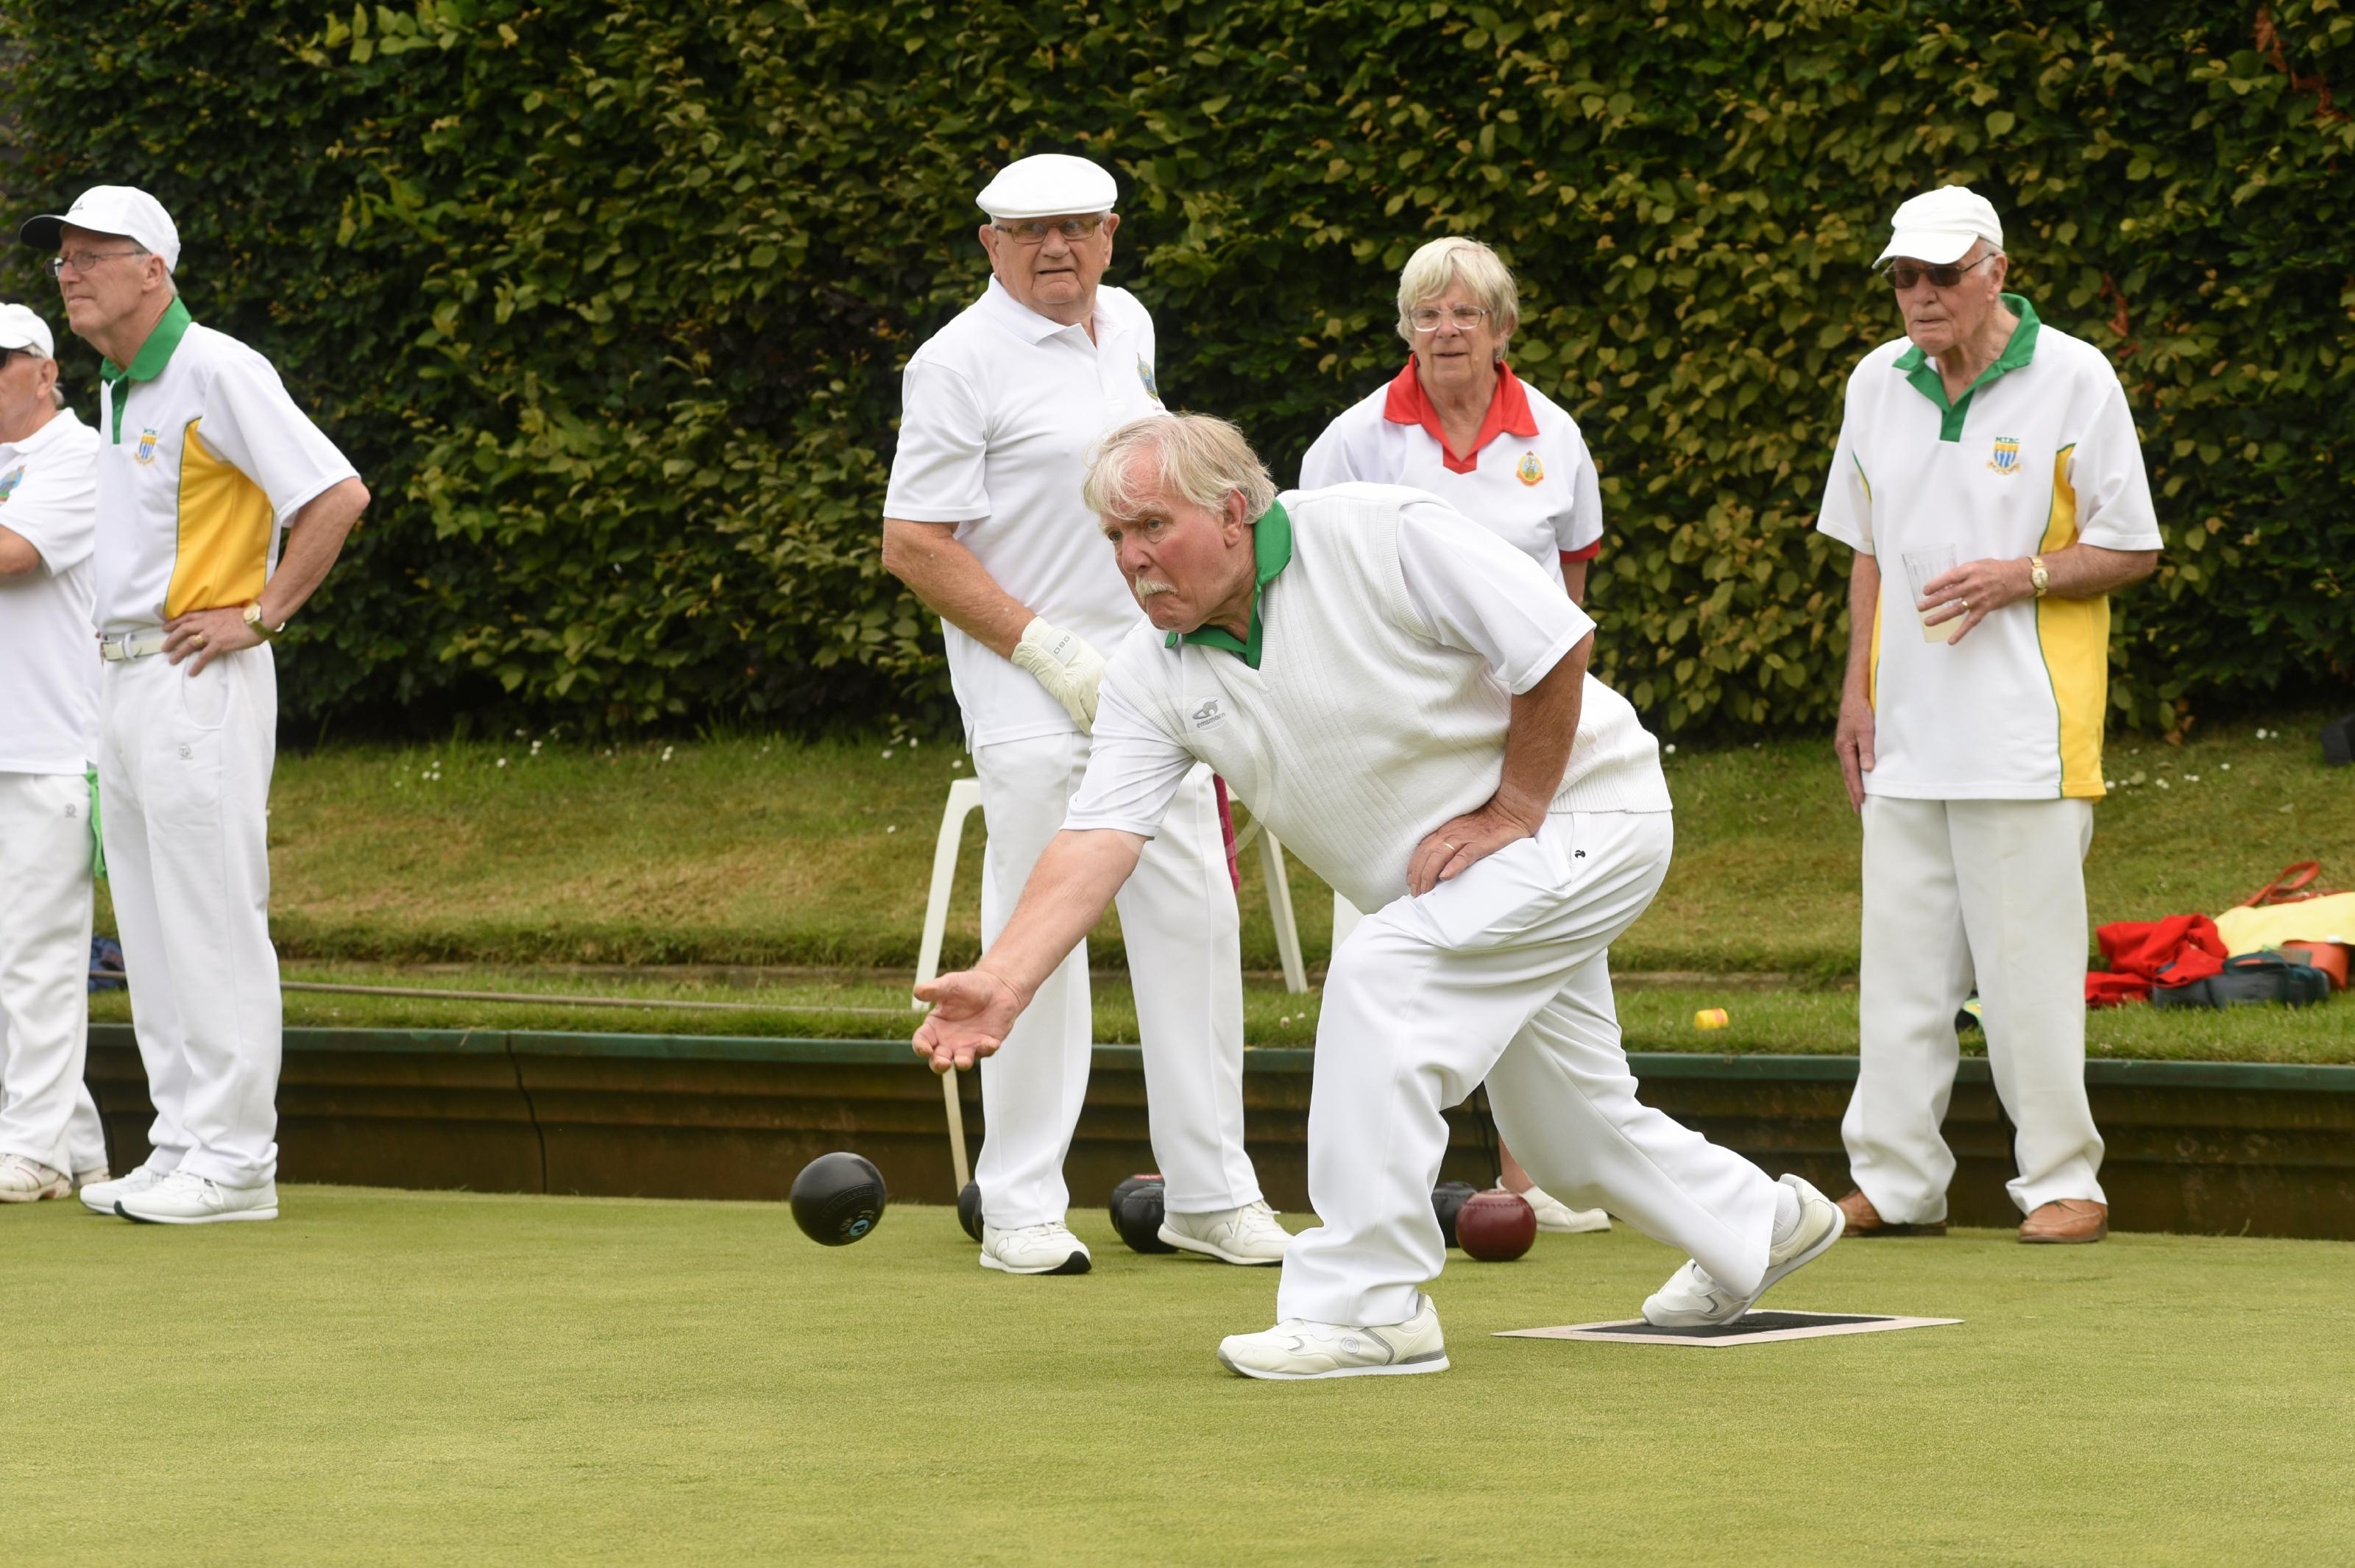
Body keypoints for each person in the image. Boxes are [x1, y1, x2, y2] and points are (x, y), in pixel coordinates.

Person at [915, 414, 1842, 1379]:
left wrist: (1515, 807)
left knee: (1380, 976)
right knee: (1567, 1132)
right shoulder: (1152, 673)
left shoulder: (1377, 532)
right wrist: (1006, 979)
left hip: (1584, 816)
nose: (1132, 558)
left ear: (1232, 512)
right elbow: (1099, 835)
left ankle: (1368, 1306)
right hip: (1467, 887)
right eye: (1115, 535)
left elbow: (1553, 641)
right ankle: (1760, 1221)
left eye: (1152, 525)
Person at [880, 155, 1280, 1275]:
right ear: (990, 244)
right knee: (1036, 935)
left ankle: (1210, 1192)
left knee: (1197, 918)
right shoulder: (956, 361)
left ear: (1109, 233)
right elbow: (913, 542)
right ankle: (1018, 1203)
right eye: (1029, 231)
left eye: (1076, 226)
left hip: (1156, 674)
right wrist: (1046, 649)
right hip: (1027, 690)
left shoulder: (1130, 323)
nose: (1055, 247)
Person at [21, 185, 371, 1224]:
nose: (70, 272)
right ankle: (183, 1142)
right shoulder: (121, 387)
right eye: (64, 256)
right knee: (155, 924)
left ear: (154, 271)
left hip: (194, 675)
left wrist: (261, 614)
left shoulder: (218, 366)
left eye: (94, 254)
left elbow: (336, 494)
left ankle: (238, 1160)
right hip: (122, 678)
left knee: (212, 916)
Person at [1819, 185, 2161, 1245]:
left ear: (1995, 272)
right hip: (1905, 732)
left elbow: (2132, 545)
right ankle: (1896, 1180)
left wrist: (2023, 574)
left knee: (2028, 978)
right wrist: (1855, 692)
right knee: (1899, 979)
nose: (1920, 295)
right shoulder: (1874, 381)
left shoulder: (2075, 376)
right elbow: (1867, 548)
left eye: (1941, 275)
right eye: (1903, 277)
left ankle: (2065, 1180)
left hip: (2027, 732)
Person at [1301, 235, 1610, 1236]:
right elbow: (1315, 584)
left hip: (1530, 727)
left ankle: (1540, 1172)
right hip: (1404, 729)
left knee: (1550, 926)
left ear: (1501, 328)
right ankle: (1381, 1190)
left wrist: (1555, 711)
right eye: (1426, 315)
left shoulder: (1553, 435)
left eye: (1464, 313)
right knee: (1392, 948)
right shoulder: (1353, 440)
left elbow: (1570, 588)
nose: (1444, 331)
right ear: (1405, 329)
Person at [0, 301, 111, 1202]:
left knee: (36, 955)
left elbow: (14, 551)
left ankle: (30, 1153)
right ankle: (78, 1147)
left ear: (45, 370)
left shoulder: (79, 456)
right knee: (15, 958)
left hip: (49, 744)